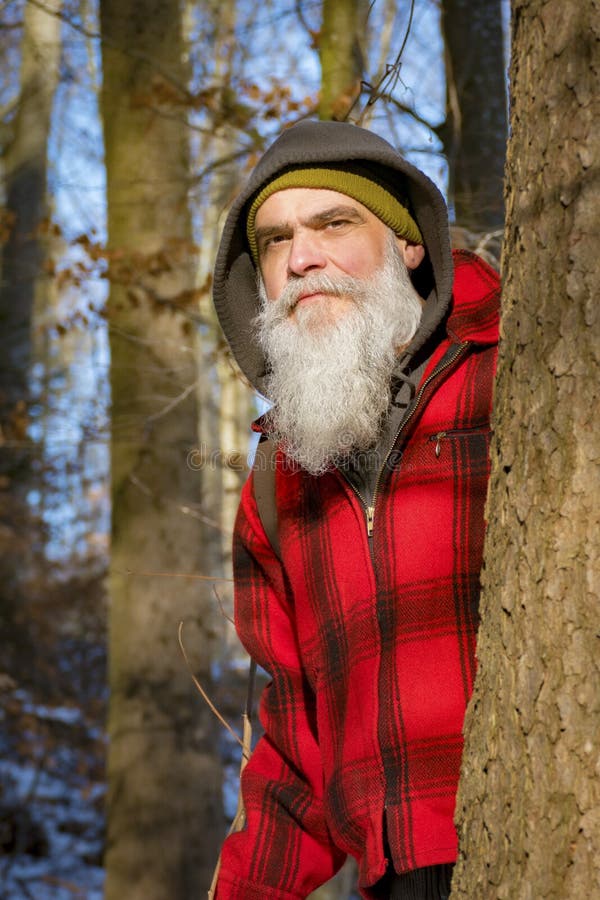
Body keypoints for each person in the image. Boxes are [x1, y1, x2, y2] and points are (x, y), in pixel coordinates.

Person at [211, 119, 500, 900]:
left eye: (334, 224)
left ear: (408, 244)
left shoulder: (520, 375)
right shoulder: (281, 479)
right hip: (396, 881)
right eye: (274, 242)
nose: (301, 259)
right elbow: (294, 750)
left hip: (558, 837)